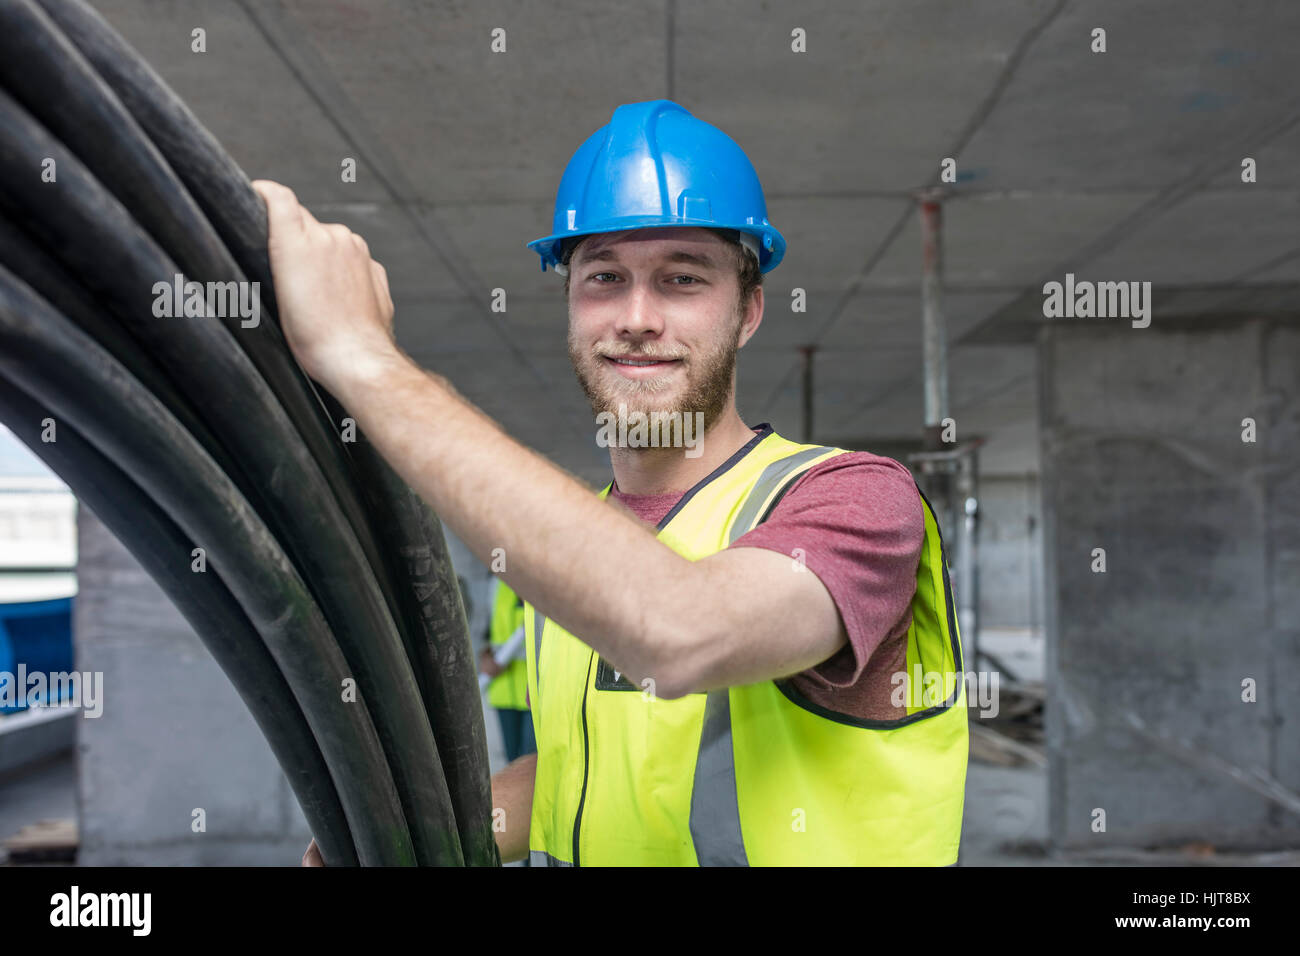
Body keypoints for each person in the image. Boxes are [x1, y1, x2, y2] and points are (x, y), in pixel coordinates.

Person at [279, 99, 967, 867]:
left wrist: (362, 357)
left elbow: (679, 633)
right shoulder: (582, 539)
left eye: (682, 279)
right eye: (604, 276)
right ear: (571, 304)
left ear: (748, 312)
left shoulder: (854, 499)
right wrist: (404, 843)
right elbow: (589, 769)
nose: (637, 317)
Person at [478, 578, 535, 763]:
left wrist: (507, 657)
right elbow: (486, 626)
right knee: (511, 764)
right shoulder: (497, 582)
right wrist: (484, 653)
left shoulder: (537, 581)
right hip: (502, 689)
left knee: (529, 765)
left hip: (534, 691)